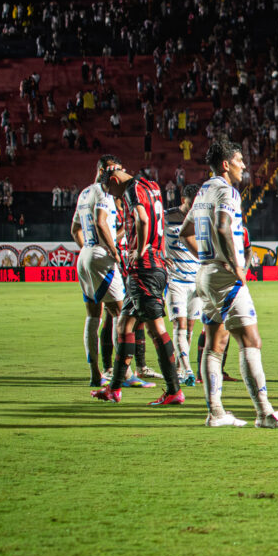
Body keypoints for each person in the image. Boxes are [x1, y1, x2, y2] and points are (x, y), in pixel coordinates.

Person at [182, 139, 278, 428]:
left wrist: (207, 258)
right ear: (225, 164)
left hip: (205, 275)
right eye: (239, 160)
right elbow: (222, 226)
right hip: (225, 277)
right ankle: (264, 413)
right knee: (251, 341)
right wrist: (236, 267)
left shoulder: (203, 191)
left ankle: (216, 413)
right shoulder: (226, 191)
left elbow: (185, 232)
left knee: (214, 344)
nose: (244, 165)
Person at [91, 157, 183, 406]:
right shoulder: (151, 185)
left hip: (144, 269)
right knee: (124, 326)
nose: (115, 197)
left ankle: (174, 390)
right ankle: (114, 389)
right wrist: (160, 252)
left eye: (111, 191)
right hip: (152, 266)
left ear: (112, 180)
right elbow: (158, 221)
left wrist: (140, 251)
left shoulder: (131, 190)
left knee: (156, 330)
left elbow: (142, 219)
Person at [71, 169, 123, 387]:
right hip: (101, 255)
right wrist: (113, 250)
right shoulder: (104, 193)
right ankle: (124, 373)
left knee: (93, 316)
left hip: (84, 256)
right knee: (122, 314)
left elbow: (75, 229)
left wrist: (88, 250)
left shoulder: (84, 193)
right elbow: (101, 222)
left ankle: (95, 373)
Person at [164, 202, 202, 387]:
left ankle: (181, 367)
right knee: (180, 324)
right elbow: (152, 236)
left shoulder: (200, 219)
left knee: (190, 327)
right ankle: (187, 369)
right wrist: (160, 254)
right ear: (183, 200)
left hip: (195, 282)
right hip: (175, 281)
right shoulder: (167, 217)